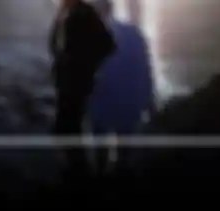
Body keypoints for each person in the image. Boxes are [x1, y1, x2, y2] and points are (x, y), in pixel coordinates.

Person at [49, 0, 115, 178]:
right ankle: (79, 169)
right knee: (66, 127)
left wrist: (85, 64)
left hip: (78, 81)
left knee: (68, 126)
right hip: (68, 82)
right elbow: (55, 45)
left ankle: (81, 171)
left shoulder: (85, 14)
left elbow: (108, 45)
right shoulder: (65, 14)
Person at [88, 0, 155, 170]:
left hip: (101, 106)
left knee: (100, 155)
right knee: (125, 156)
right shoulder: (133, 34)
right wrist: (149, 102)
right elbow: (145, 70)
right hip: (128, 105)